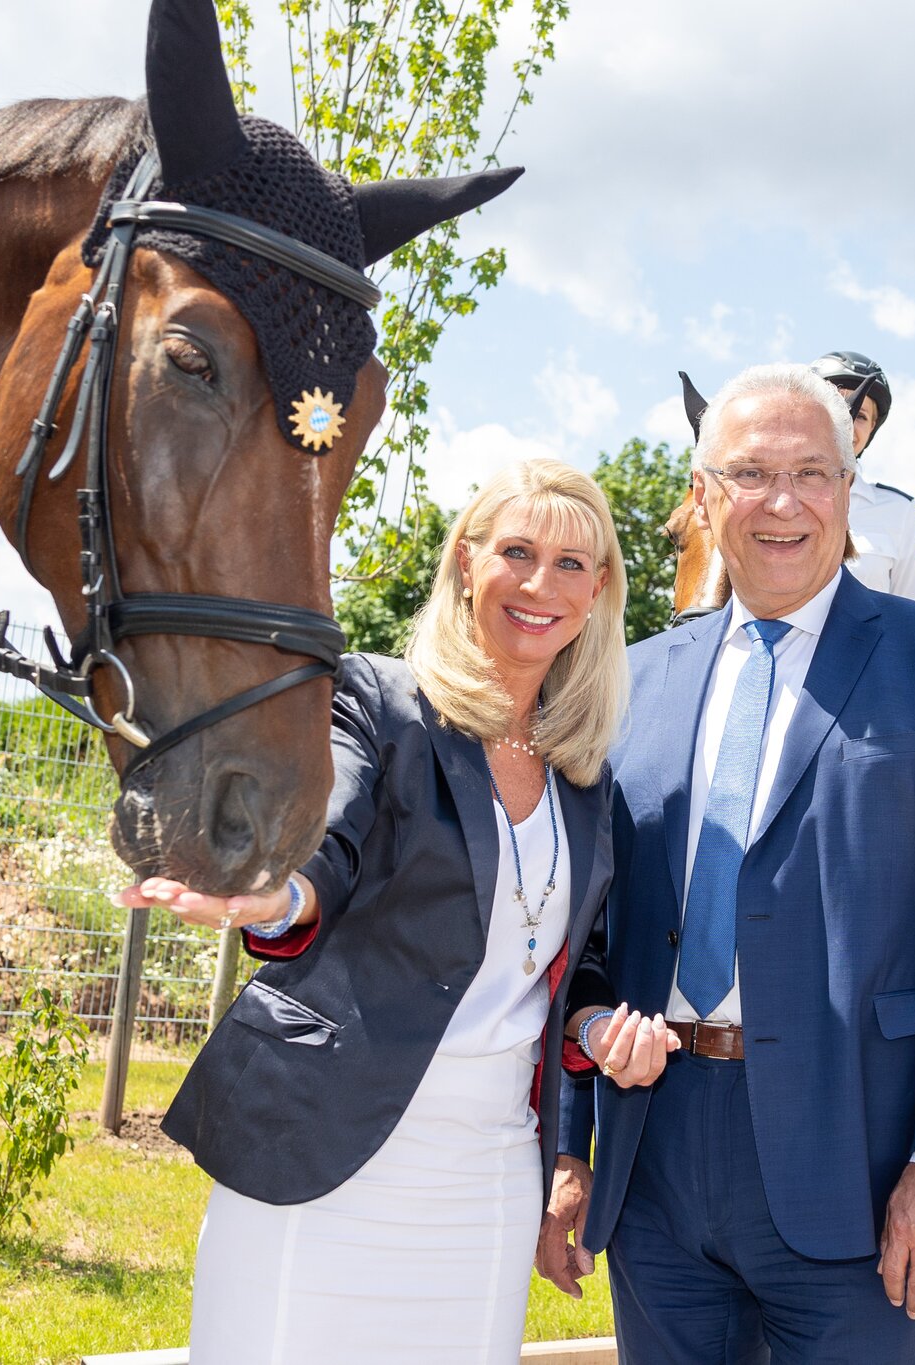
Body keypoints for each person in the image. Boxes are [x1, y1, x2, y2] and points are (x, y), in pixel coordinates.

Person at [547, 365, 915, 1363]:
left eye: (812, 472)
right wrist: (570, 1148)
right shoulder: (633, 678)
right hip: (654, 1164)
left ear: (849, 493)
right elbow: (580, 929)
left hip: (857, 1165)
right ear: (703, 495)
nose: (782, 503)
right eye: (750, 473)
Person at [132, 459, 672, 1365]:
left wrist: (599, 1028)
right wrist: (279, 891)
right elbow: (325, 846)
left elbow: (568, 966)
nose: (542, 585)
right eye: (517, 552)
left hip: (489, 1176)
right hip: (323, 1148)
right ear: (467, 562)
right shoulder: (378, 702)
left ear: (601, 589)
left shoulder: (587, 775)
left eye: (573, 563)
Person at [809, 350, 915, 604]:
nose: (846, 422)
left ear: (872, 429)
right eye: (834, 407)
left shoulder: (898, 511)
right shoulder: (771, 498)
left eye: (861, 415)